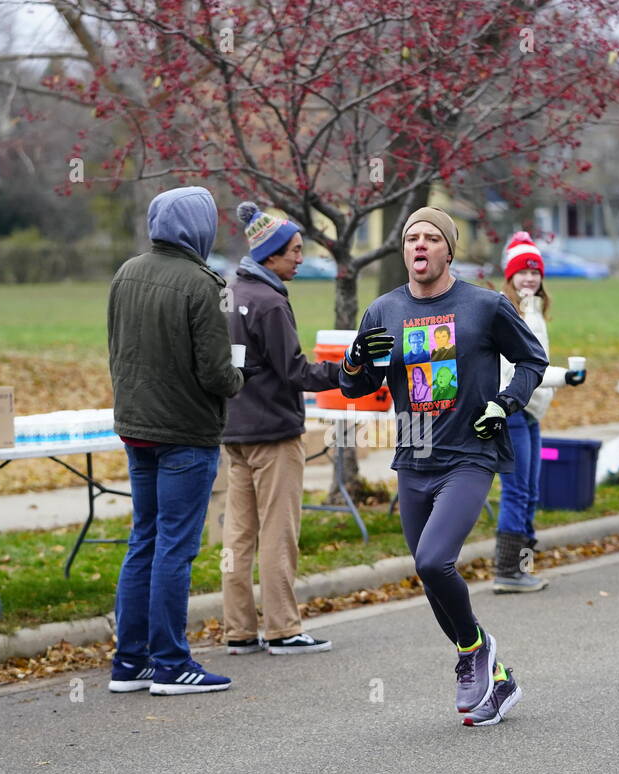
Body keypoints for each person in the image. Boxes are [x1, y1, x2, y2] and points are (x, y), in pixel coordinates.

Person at [340, 207, 547, 727]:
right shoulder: (383, 310)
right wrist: (355, 359)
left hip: (470, 453)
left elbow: (532, 360)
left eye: (432, 238)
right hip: (414, 454)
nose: (421, 245)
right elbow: (355, 386)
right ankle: (495, 678)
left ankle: (474, 648)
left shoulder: (484, 305)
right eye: (412, 238)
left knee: (435, 561)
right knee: (428, 577)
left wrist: (505, 402)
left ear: (448, 250)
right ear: (403, 250)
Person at [108, 186, 250, 696]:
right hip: (186, 433)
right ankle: (171, 662)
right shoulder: (203, 284)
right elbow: (216, 374)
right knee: (175, 545)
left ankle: (130, 660)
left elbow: (117, 350)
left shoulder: (126, 273)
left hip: (136, 427)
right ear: (198, 228)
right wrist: (240, 376)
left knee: (142, 538)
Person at [221, 202, 341, 655]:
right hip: (274, 433)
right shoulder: (270, 302)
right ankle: (283, 629)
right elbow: (295, 373)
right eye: (293, 250)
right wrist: (344, 373)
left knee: (238, 535)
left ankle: (238, 630)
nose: (300, 258)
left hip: (234, 432)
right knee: (278, 533)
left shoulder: (231, 291)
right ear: (270, 254)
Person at [492, 232, 587, 593]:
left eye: (535, 272)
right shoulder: (508, 311)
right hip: (511, 407)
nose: (530, 278)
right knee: (516, 490)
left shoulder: (534, 311)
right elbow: (521, 370)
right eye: (522, 272)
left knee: (531, 489)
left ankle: (522, 563)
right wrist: (566, 377)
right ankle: (508, 570)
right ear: (510, 275)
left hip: (530, 411)